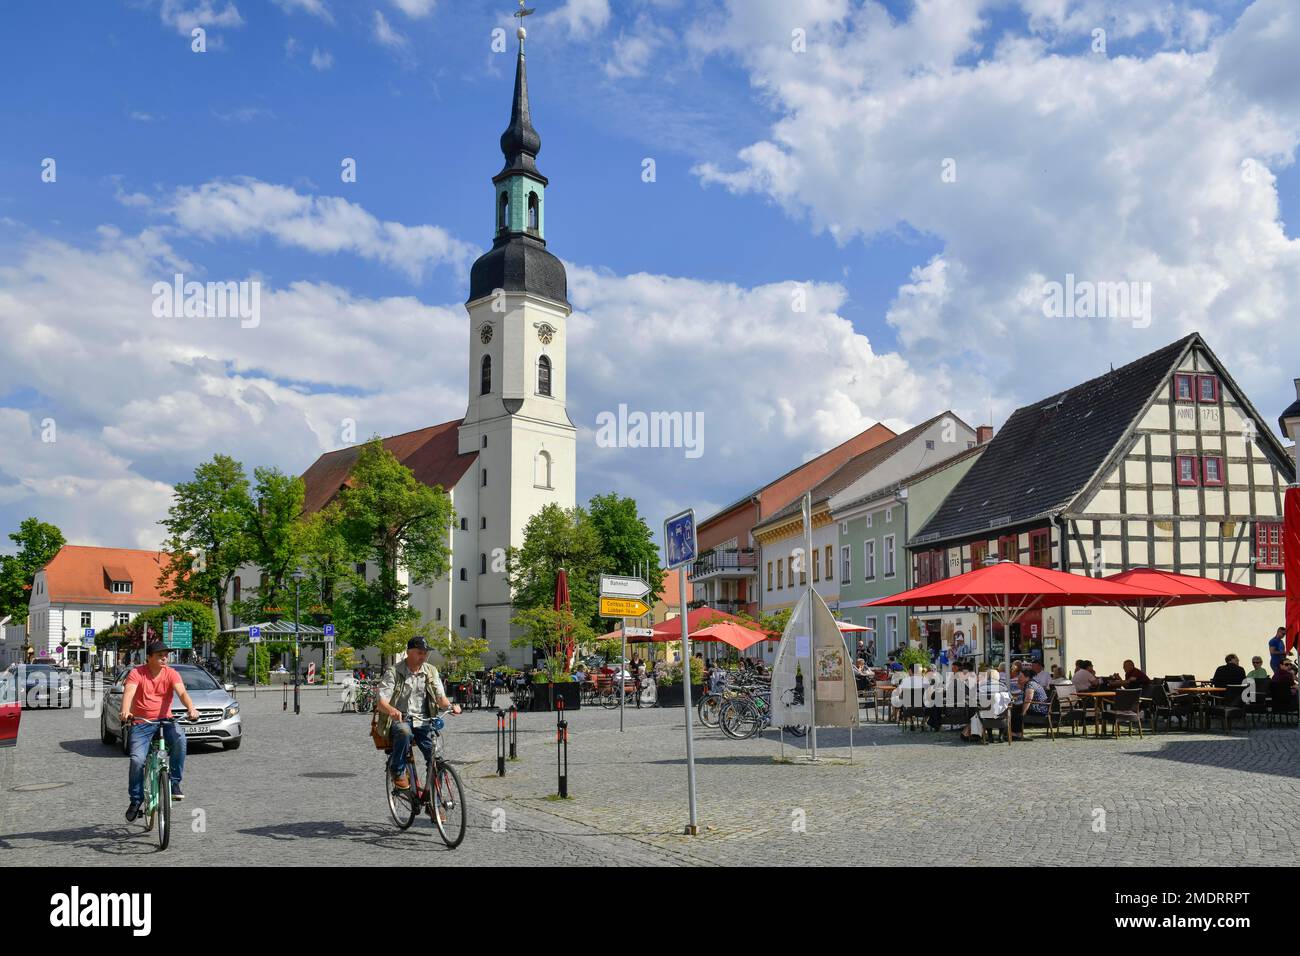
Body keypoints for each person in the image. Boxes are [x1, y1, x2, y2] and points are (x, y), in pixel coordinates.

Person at [120, 641, 201, 821]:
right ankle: (135, 799)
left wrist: (191, 708)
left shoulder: (171, 673)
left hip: (165, 721)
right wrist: (125, 711)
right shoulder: (137, 673)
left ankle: (174, 784)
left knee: (180, 738)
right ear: (149, 657)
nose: (164, 658)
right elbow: (129, 693)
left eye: (166, 655)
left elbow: (182, 693)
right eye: (160, 655)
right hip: (141, 723)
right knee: (137, 759)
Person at [375, 636, 461, 791]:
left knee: (436, 757)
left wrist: (450, 706)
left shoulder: (430, 671)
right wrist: (392, 710)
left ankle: (432, 798)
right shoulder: (394, 672)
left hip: (424, 721)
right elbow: (381, 702)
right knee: (404, 731)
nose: (423, 656)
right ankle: (397, 770)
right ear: (408, 652)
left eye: (425, 653)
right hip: (401, 718)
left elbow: (440, 697)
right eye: (419, 652)